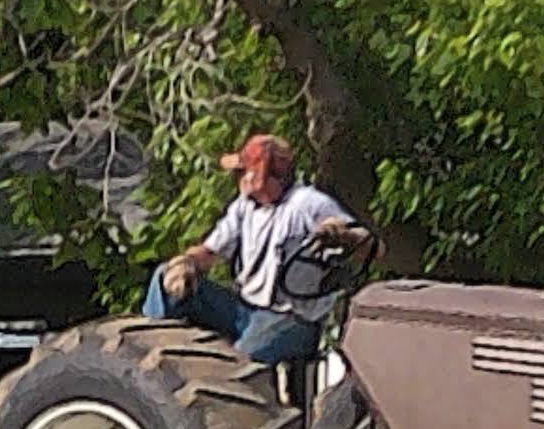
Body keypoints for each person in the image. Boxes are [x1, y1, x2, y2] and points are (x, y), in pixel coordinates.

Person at [143, 133, 372, 366]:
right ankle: (149, 358)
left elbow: (370, 245)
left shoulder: (309, 204)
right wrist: (187, 262)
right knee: (165, 277)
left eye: (243, 171)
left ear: (260, 174)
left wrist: (343, 237)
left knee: (235, 367)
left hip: (290, 320)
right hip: (243, 310)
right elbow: (212, 251)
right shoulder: (245, 206)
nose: (238, 177)